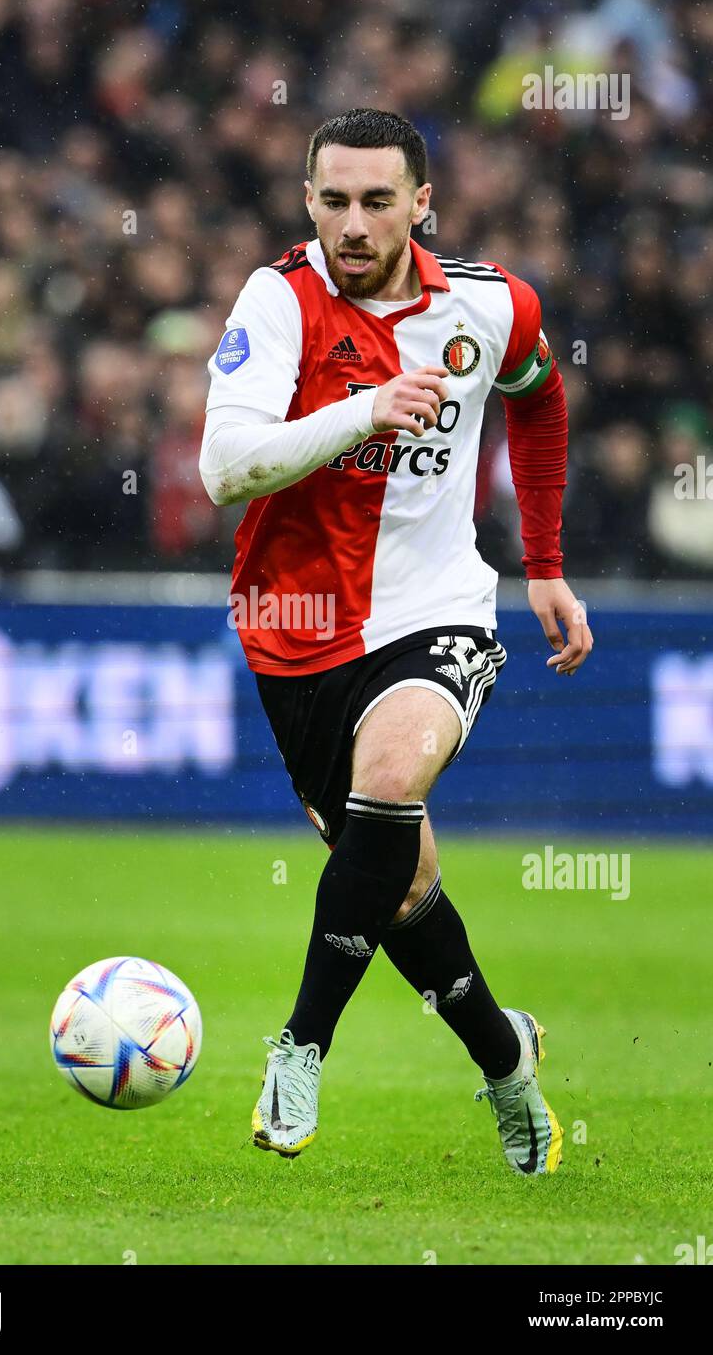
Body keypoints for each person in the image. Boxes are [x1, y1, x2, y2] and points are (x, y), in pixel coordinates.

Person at [200, 107, 593, 1175]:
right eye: (332, 200)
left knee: (391, 773)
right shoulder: (277, 300)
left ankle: (299, 1047)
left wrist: (544, 562)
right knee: (402, 886)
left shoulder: (490, 303)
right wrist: (368, 409)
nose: (353, 222)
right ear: (306, 201)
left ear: (421, 203)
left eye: (377, 200)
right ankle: (506, 1059)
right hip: (295, 630)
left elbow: (540, 400)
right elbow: (224, 467)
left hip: (438, 608)